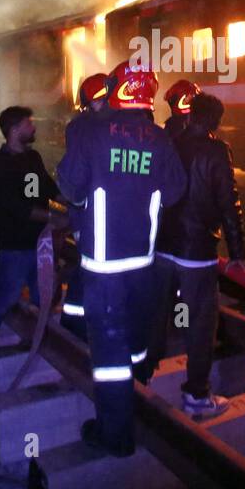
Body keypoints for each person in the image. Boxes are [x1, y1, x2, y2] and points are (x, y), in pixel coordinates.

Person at [57, 59, 186, 457]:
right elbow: (176, 191)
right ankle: (138, 388)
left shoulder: (92, 133)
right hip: (142, 263)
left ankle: (116, 433)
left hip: (104, 266)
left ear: (120, 89)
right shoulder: (161, 138)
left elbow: (71, 189)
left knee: (110, 353)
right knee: (134, 340)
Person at [150, 91, 245, 418]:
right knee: (201, 325)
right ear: (216, 122)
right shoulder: (217, 152)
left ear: (189, 115)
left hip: (164, 247)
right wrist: (238, 253)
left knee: (156, 316)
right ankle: (197, 396)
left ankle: (140, 377)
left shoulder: (171, 143)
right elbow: (228, 205)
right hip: (197, 252)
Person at [0, 106, 63, 349]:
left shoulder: (32, 158)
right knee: (3, 299)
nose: (34, 127)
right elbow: (17, 208)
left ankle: (35, 342)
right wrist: (53, 218)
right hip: (15, 247)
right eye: (29, 123)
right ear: (15, 130)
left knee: (46, 297)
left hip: (40, 245)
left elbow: (47, 188)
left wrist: (71, 203)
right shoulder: (0, 166)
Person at [58, 73, 110, 340]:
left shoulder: (79, 125)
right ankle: (78, 319)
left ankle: (75, 316)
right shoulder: (89, 127)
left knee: (86, 263)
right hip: (90, 213)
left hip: (84, 212)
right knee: (89, 266)